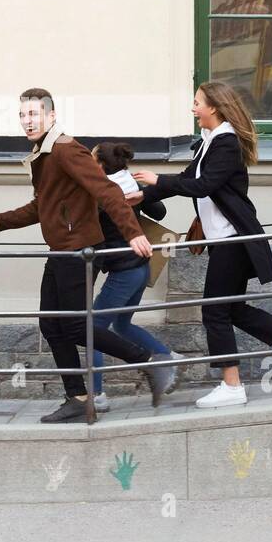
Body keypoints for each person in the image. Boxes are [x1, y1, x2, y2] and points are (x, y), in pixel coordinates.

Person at [0, 88, 176, 424]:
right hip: (61, 250)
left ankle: (150, 362)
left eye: (34, 114)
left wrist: (134, 232)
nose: (27, 121)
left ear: (51, 116)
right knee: (51, 325)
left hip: (78, 251)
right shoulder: (44, 154)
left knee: (77, 327)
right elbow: (43, 205)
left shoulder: (66, 149)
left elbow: (107, 190)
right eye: (23, 115)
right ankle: (78, 397)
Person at [132, 81, 272, 408]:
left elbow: (204, 185)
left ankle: (232, 385)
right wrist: (142, 195)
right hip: (224, 241)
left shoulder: (226, 142)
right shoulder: (210, 142)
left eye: (196, 103)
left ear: (213, 108)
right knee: (232, 310)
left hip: (235, 240)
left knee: (215, 310)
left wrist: (156, 179)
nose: (192, 109)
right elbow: (187, 179)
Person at [87, 141, 186, 412]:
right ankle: (168, 357)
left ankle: (96, 395)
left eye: (91, 159)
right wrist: (142, 191)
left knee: (92, 330)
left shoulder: (103, 192)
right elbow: (159, 211)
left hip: (125, 270)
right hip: (141, 266)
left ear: (100, 165)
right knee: (121, 325)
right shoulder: (130, 184)